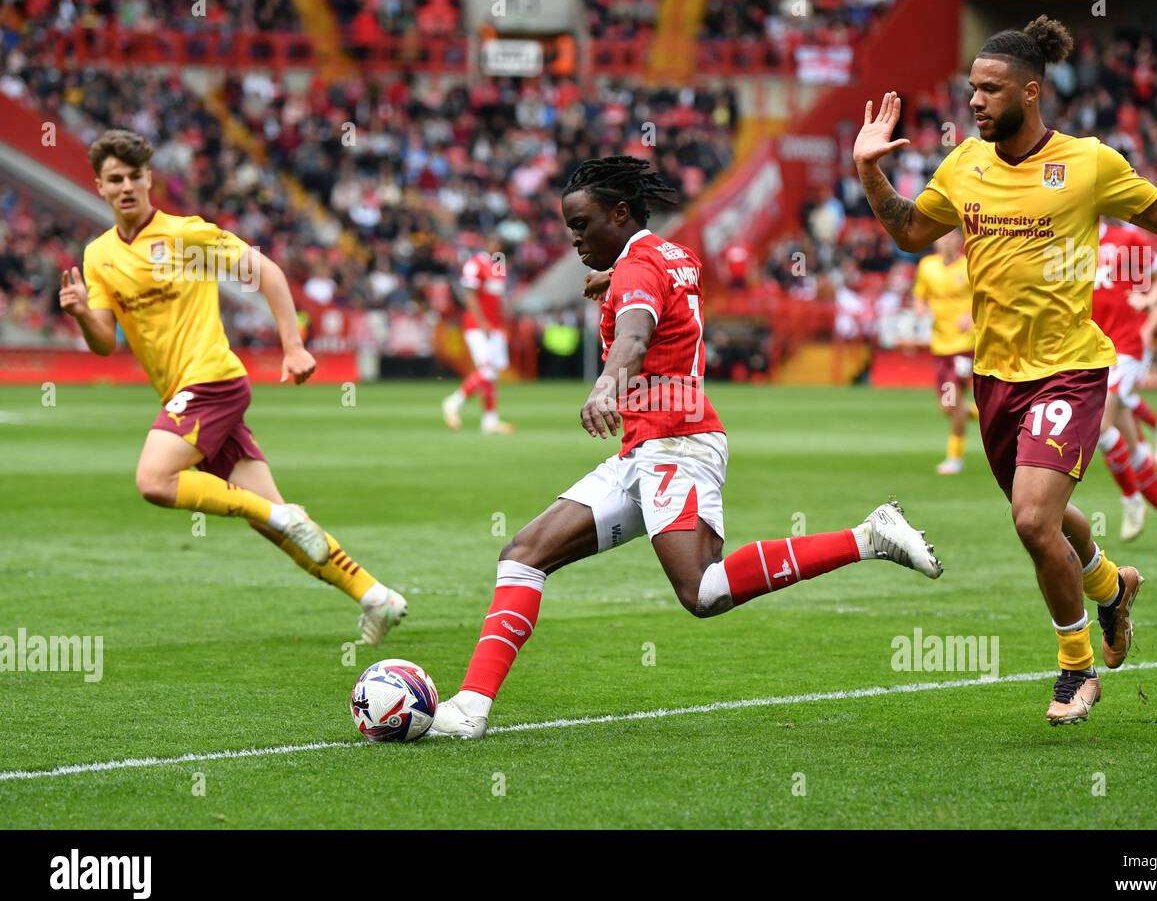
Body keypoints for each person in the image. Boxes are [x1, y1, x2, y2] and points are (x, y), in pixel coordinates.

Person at [428, 156, 942, 739]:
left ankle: (867, 537)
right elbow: (667, 283)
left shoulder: (639, 272)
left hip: (677, 441)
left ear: (620, 214)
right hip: (648, 444)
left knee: (702, 591)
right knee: (523, 555)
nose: (574, 240)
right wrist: (611, 278)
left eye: (582, 226)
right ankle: (470, 709)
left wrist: (605, 385)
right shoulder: (671, 256)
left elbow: (636, 334)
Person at [851, 16, 1157, 723]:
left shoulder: (1089, 162)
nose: (974, 101)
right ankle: (1113, 589)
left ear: (1031, 92)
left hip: (1071, 369)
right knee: (1051, 517)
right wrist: (868, 169)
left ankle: (1075, 670)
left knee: (1033, 520)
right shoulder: (963, 164)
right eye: (971, 88)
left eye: (990, 89)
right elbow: (911, 232)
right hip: (995, 375)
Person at [59, 129, 407, 644]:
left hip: (213, 380)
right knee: (274, 525)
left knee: (154, 480)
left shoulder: (184, 235)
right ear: (100, 187)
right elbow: (104, 344)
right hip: (186, 394)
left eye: (135, 176)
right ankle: (375, 597)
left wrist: (293, 345)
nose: (127, 186)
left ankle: (279, 514)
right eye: (116, 179)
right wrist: (83, 314)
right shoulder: (99, 256)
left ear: (149, 178)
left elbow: (266, 271)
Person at [1092, 219, 1157, 550]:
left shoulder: (1128, 238)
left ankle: (1131, 500)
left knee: (1099, 426)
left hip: (1126, 347)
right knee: (1132, 449)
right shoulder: (1070, 236)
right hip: (1094, 350)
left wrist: (1150, 302)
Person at [912, 231, 975, 474]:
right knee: (947, 406)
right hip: (940, 344)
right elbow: (919, 295)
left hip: (965, 344)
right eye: (942, 238)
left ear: (959, 242)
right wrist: (919, 309)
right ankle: (978, 412)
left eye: (951, 238)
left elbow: (985, 297)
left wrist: (970, 316)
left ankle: (955, 458)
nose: (946, 242)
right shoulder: (927, 266)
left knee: (954, 398)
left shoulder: (969, 266)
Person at [442, 240, 516, 435]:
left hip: (494, 328)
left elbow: (498, 300)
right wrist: (482, 321)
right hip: (477, 326)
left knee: (491, 374)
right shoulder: (475, 263)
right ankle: (453, 402)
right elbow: (469, 295)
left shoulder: (498, 268)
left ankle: (490, 421)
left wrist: (502, 324)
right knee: (486, 369)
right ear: (489, 245)